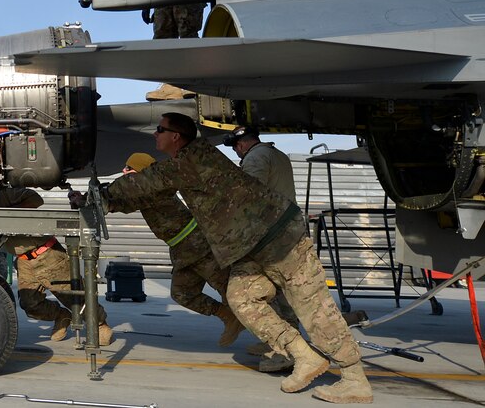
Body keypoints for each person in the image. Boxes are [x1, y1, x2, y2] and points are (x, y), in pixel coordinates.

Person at [74, 113, 372, 403]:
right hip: (250, 247)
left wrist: (100, 193)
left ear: (175, 136)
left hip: (280, 238)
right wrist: (100, 196)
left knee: (314, 309)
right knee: (240, 298)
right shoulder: (188, 161)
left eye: (160, 130)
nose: (155, 134)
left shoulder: (191, 160)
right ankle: (303, 355)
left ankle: (354, 379)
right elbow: (140, 187)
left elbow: (144, 182)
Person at [121, 153, 243, 347]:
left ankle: (277, 338)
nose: (123, 172)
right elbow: (124, 200)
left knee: (235, 293)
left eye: (128, 168)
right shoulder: (146, 190)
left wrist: (100, 196)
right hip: (183, 249)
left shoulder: (153, 189)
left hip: (197, 247)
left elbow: (123, 198)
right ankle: (229, 317)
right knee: (182, 293)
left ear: (141, 172)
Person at [0, 186, 114, 347]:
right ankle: (61, 316)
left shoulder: (6, 195)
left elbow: (36, 199)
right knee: (30, 303)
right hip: (24, 261)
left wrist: (10, 214)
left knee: (73, 297)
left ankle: (100, 325)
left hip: (47, 254)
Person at [224, 125, 302, 371]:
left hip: (270, 235)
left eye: (236, 148)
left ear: (243, 144)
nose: (237, 152)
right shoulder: (276, 155)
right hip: (286, 231)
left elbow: (248, 195)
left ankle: (286, 350)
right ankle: (278, 343)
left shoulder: (255, 157)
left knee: (252, 293)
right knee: (280, 290)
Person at [143, 2, 204, 100]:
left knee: (188, 34)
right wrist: (146, 3)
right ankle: (171, 85)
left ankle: (194, 81)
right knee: (163, 37)